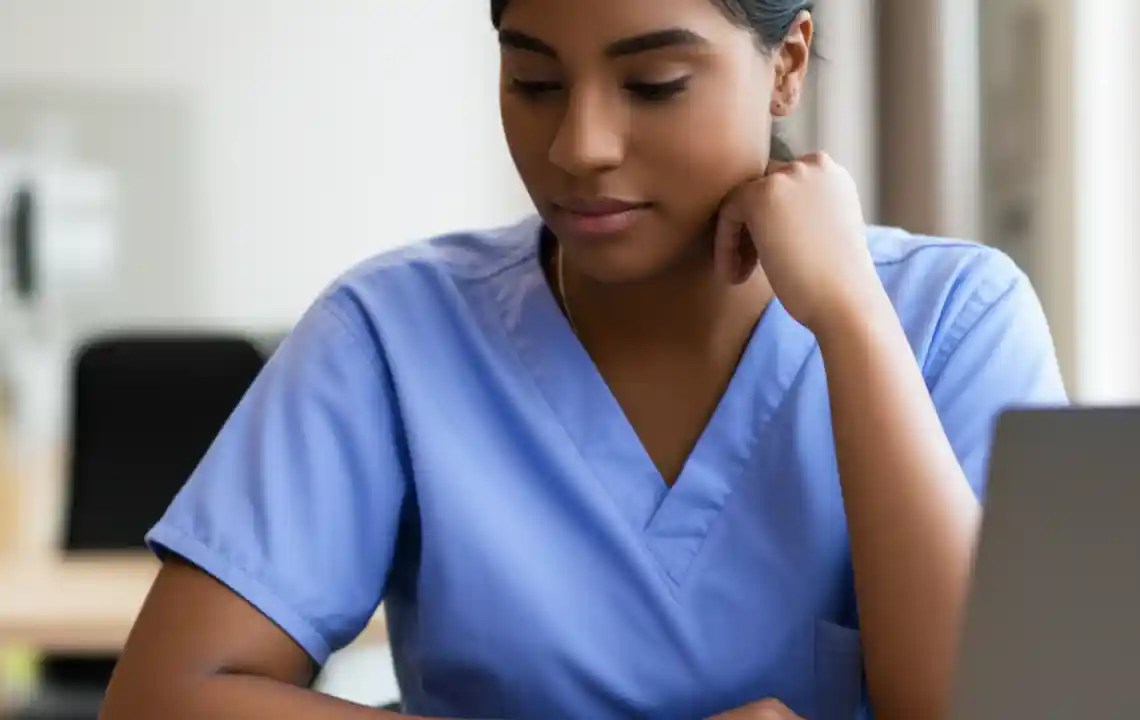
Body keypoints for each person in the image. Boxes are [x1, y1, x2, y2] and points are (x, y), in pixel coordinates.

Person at [101, 1, 1065, 718]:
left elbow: (977, 708)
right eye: (535, 83)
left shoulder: (954, 318)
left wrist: (853, 322)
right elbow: (163, 700)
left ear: (787, 65)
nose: (579, 146)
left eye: (655, 85)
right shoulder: (391, 333)